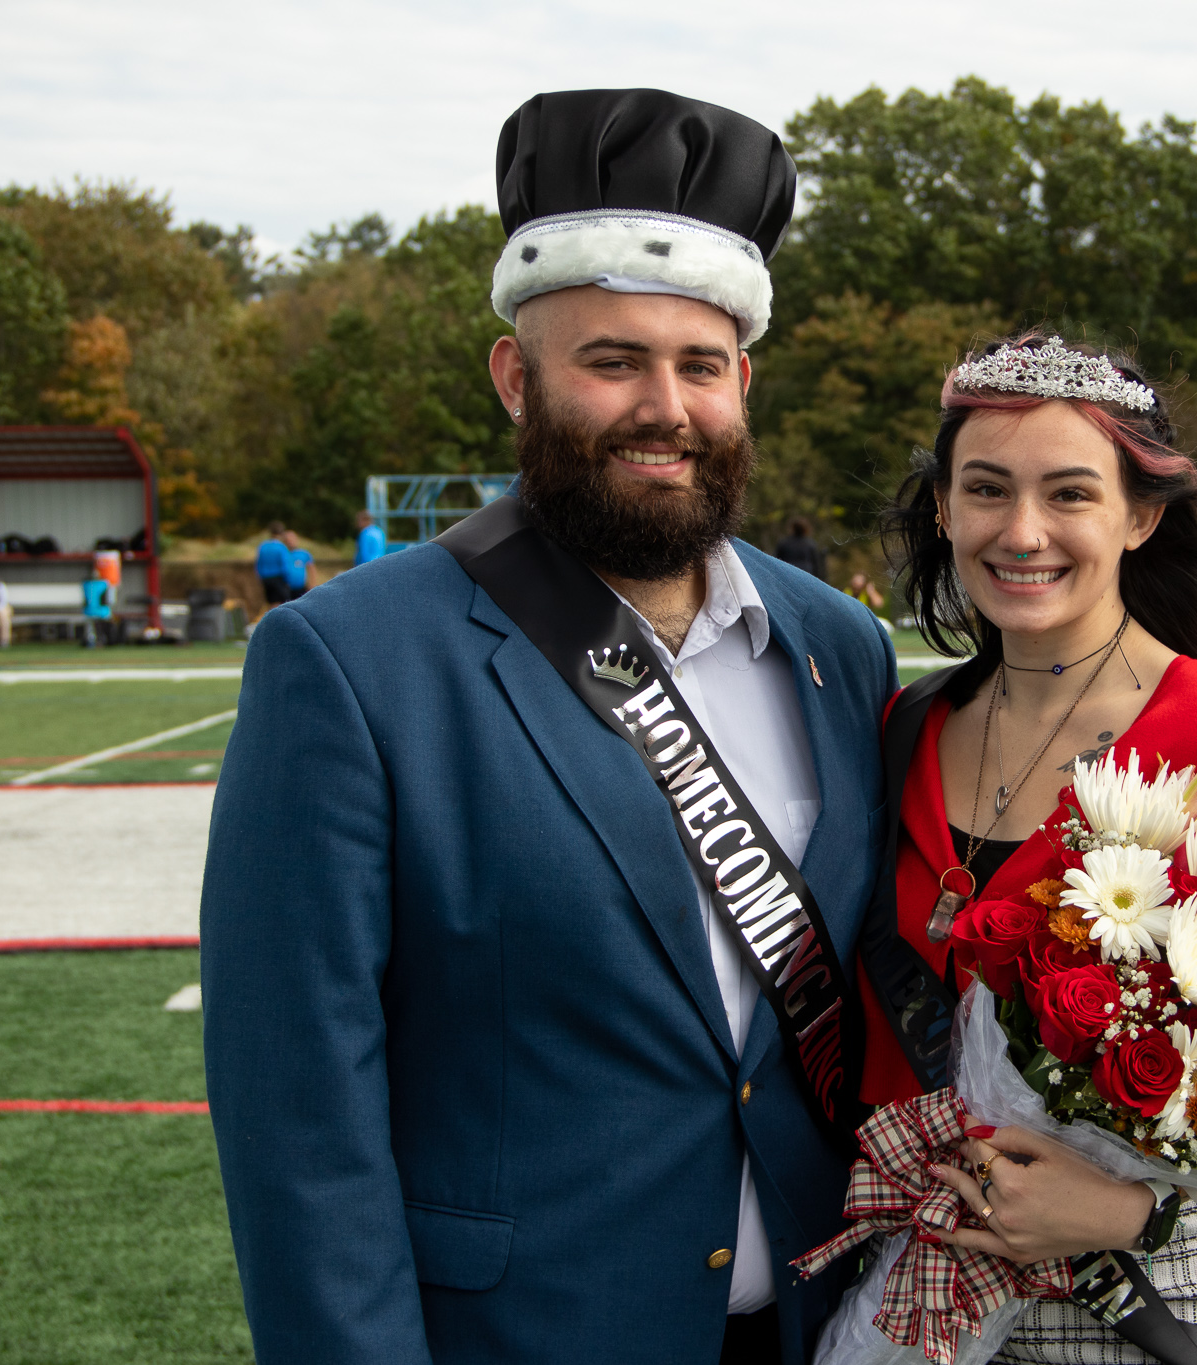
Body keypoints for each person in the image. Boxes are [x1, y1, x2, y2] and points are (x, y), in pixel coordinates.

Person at [201, 89, 895, 1365]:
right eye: (612, 360)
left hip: (818, 1329)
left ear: (742, 383)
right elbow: (296, 1111)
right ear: (516, 377)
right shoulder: (346, 660)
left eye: (698, 367)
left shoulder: (836, 648)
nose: (663, 406)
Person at [855, 334, 1197, 1364]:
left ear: (1139, 516)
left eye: (1067, 494)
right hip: (906, 1280)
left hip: (1128, 1304)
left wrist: (1122, 1214)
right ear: (941, 509)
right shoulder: (904, 728)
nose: (1021, 533)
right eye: (984, 490)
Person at [773, 516, 827, 582]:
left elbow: (776, 560)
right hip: (806, 575)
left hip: (787, 574)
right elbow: (816, 565)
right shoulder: (810, 544)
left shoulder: (784, 543)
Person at [255, 522, 291, 609]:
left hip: (266, 578)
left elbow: (258, 564)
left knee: (272, 603)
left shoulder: (263, 546)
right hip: (278, 578)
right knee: (284, 602)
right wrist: (288, 580)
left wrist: (261, 577)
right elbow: (285, 565)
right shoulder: (281, 547)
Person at [80, 564, 113, 648]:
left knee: (92, 628)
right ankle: (98, 641)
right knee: (97, 628)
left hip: (91, 611)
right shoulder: (103, 584)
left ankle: (92, 641)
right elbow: (107, 599)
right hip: (100, 611)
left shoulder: (87, 585)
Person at [282, 529, 316, 599]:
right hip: (285, 588)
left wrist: (312, 584)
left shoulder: (304, 554)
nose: (290, 542)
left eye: (292, 539)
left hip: (301, 588)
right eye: (288, 540)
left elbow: (311, 569)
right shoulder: (283, 554)